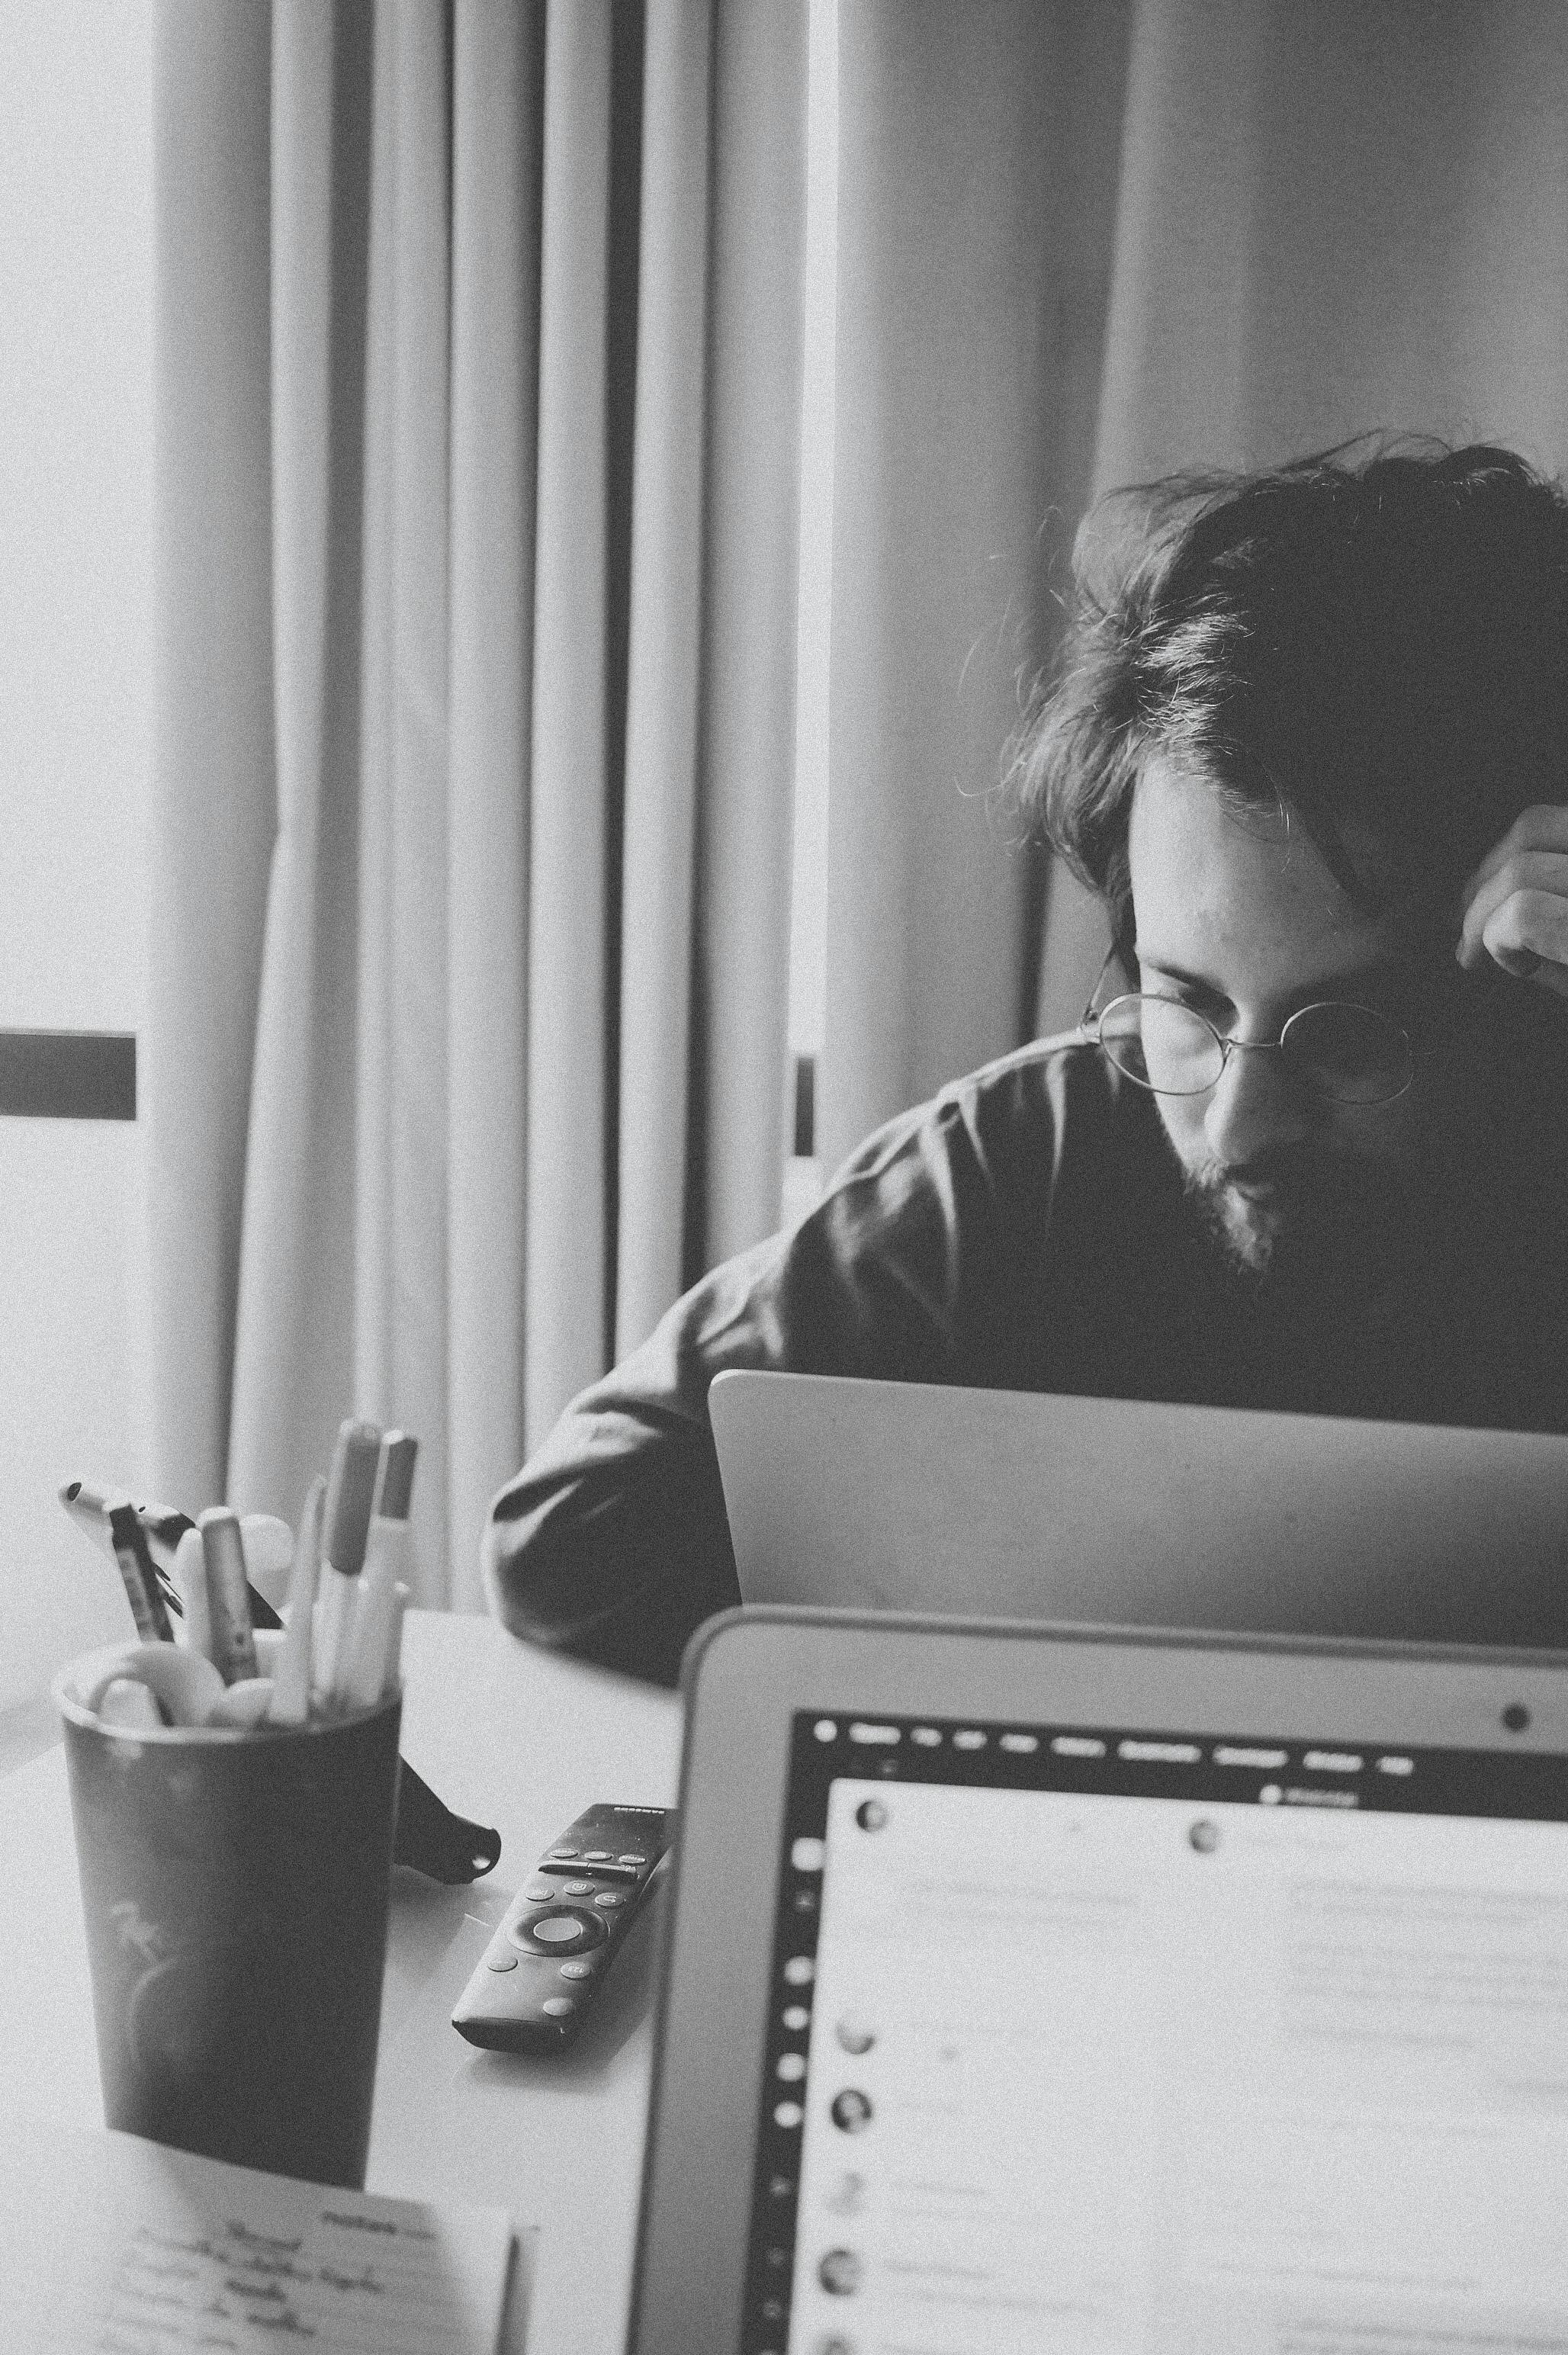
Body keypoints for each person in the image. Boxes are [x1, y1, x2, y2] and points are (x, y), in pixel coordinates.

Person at [485, 439, 1568, 1685]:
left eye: (1348, 1033)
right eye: (1187, 1001)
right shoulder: (1038, 1159)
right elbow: (573, 1535)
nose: (1236, 1127)